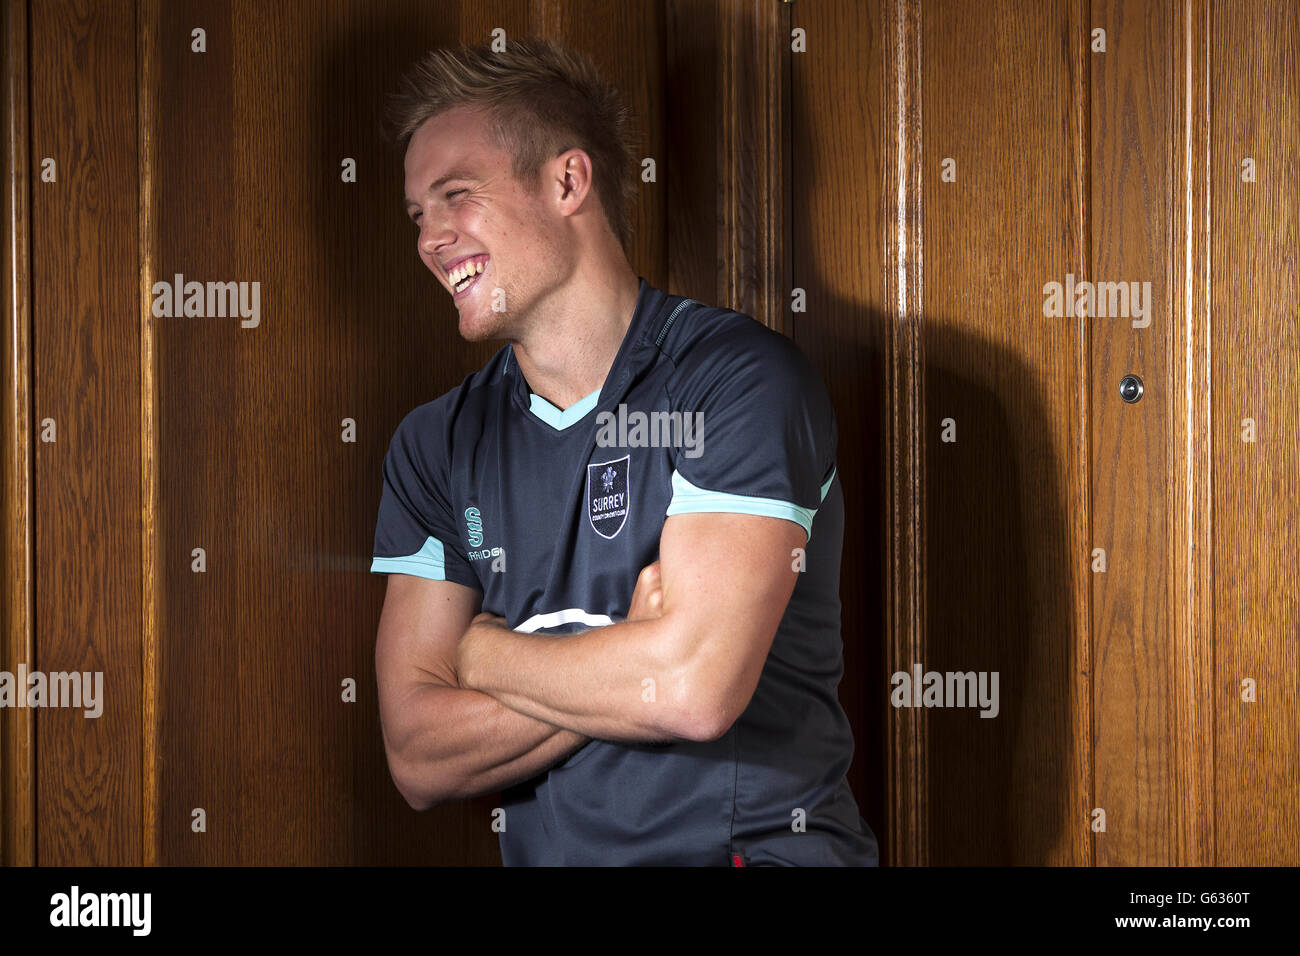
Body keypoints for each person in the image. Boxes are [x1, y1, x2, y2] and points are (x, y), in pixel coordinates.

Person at [370, 37, 879, 866]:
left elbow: (692, 689)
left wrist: (484, 653)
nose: (432, 238)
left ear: (568, 181)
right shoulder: (435, 443)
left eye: (456, 195)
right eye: (418, 215)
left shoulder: (740, 381)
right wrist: (626, 648)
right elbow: (418, 755)